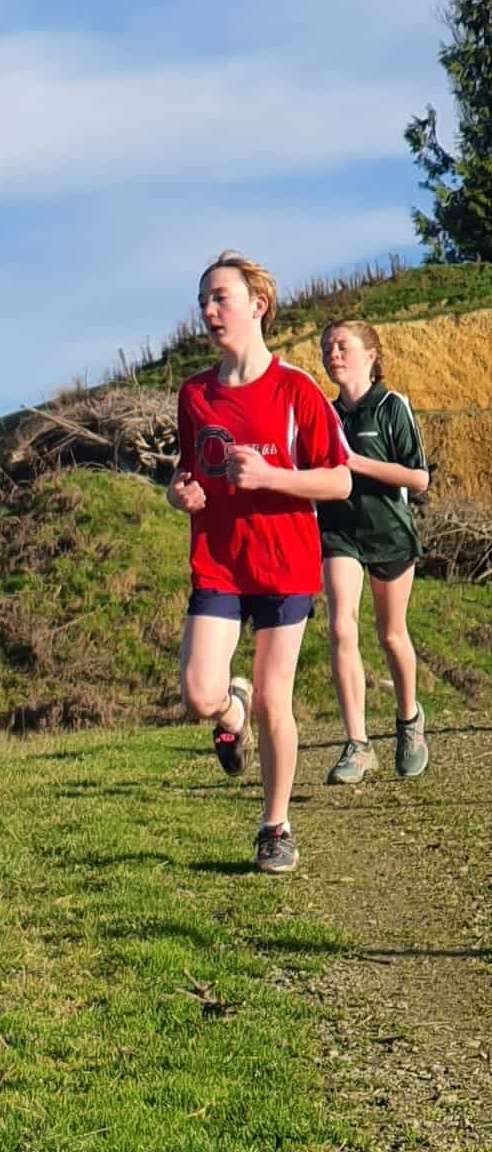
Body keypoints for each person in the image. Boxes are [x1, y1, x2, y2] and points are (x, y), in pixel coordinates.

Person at [167, 252, 351, 874]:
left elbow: (341, 483)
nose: (210, 311)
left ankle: (275, 825)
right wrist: (179, 492)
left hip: (284, 563)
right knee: (198, 694)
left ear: (258, 305)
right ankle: (228, 708)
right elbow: (188, 472)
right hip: (219, 560)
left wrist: (274, 475)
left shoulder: (296, 389)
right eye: (203, 302)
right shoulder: (195, 393)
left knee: (278, 699)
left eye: (220, 297)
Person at [317, 320, 430, 783]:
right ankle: (358, 744)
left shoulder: (391, 406)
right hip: (339, 533)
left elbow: (419, 479)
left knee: (390, 635)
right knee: (342, 626)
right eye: (327, 348)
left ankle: (409, 722)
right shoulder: (322, 412)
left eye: (342, 346)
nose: (333, 354)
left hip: (390, 534)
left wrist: (359, 463)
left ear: (370, 354)